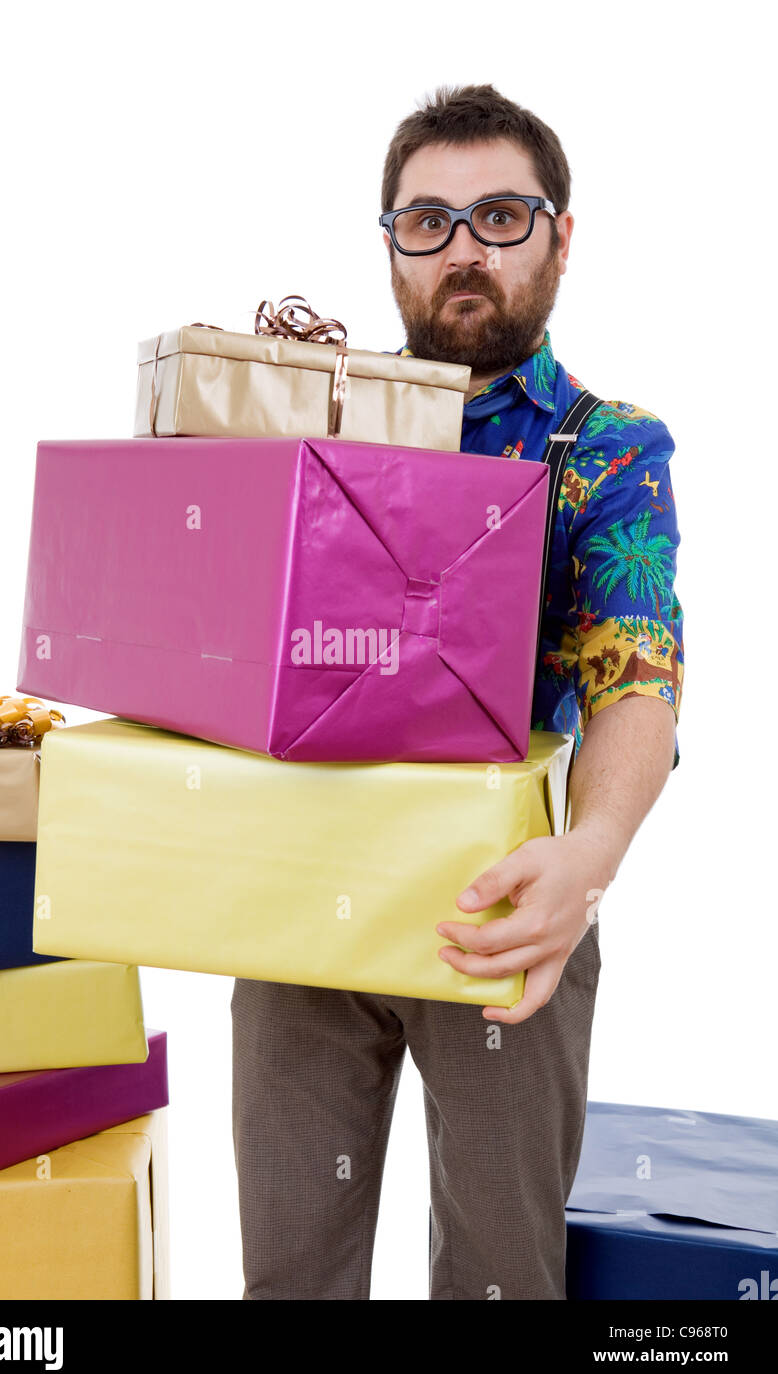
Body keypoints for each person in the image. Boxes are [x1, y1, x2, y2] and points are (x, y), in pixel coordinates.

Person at [231, 82, 684, 1300]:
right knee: (288, 1274)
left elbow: (635, 667)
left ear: (559, 234)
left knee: (501, 1278)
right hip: (300, 895)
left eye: (498, 214)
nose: (463, 250)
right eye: (426, 222)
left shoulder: (609, 450)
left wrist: (587, 852)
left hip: (504, 907)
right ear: (389, 245)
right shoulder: (320, 425)